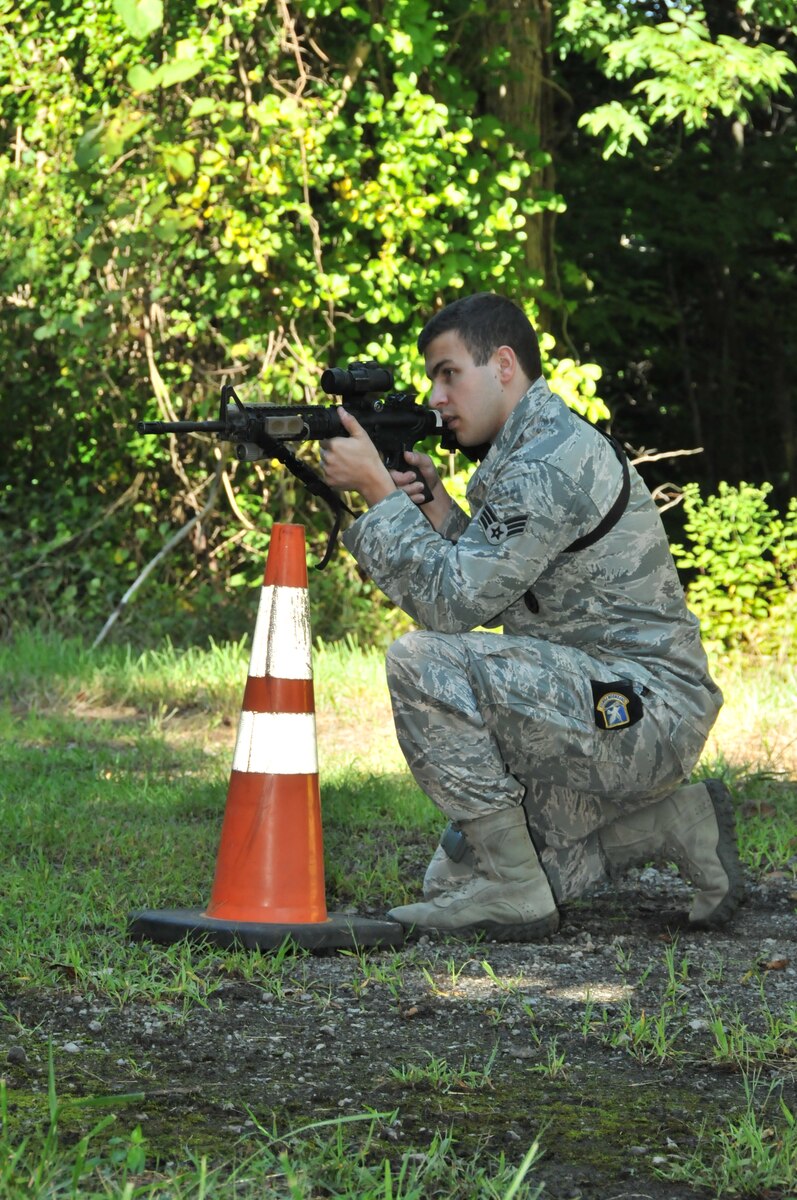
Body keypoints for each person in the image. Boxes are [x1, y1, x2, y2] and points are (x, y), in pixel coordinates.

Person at [319, 292, 744, 942]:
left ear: (504, 364)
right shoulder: (532, 451)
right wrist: (433, 506)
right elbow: (505, 579)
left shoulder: (544, 464)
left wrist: (379, 493)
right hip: (607, 705)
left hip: (636, 712)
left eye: (448, 372)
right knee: (452, 878)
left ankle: (515, 892)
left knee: (422, 661)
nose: (435, 396)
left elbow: (454, 605)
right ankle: (677, 822)